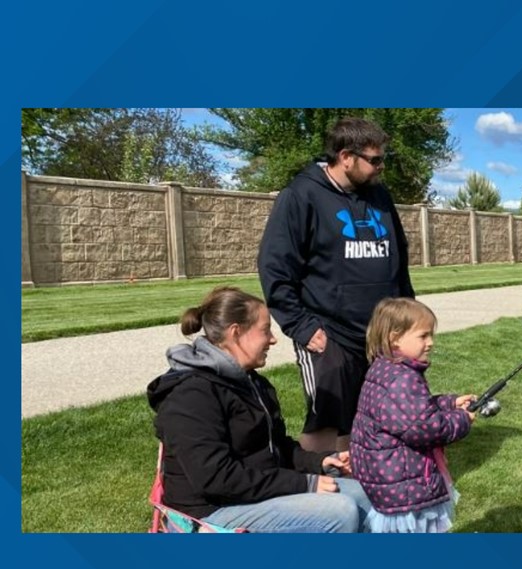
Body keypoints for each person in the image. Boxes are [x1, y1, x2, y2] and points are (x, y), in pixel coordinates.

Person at [147, 286, 376, 533]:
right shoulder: (191, 395)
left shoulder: (253, 383)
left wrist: (321, 462)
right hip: (210, 513)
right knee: (340, 513)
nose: (273, 339)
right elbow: (216, 479)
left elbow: (276, 448)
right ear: (236, 333)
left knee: (365, 495)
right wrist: (304, 484)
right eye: (266, 330)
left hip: (253, 495)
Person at [258, 117, 415, 453]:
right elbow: (275, 266)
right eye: (374, 160)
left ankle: (361, 485)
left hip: (381, 331)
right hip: (329, 333)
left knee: (370, 415)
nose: (380, 167)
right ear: (346, 156)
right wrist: (300, 325)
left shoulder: (379, 196)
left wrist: (407, 312)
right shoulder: (301, 195)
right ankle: (316, 491)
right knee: (327, 422)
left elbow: (398, 256)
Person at [350, 298, 477, 533]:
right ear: (394, 337)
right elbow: (425, 428)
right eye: (423, 336)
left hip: (389, 483)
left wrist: (449, 402)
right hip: (405, 491)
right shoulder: (403, 378)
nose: (430, 343)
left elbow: (411, 412)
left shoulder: (385, 367)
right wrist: (462, 419)